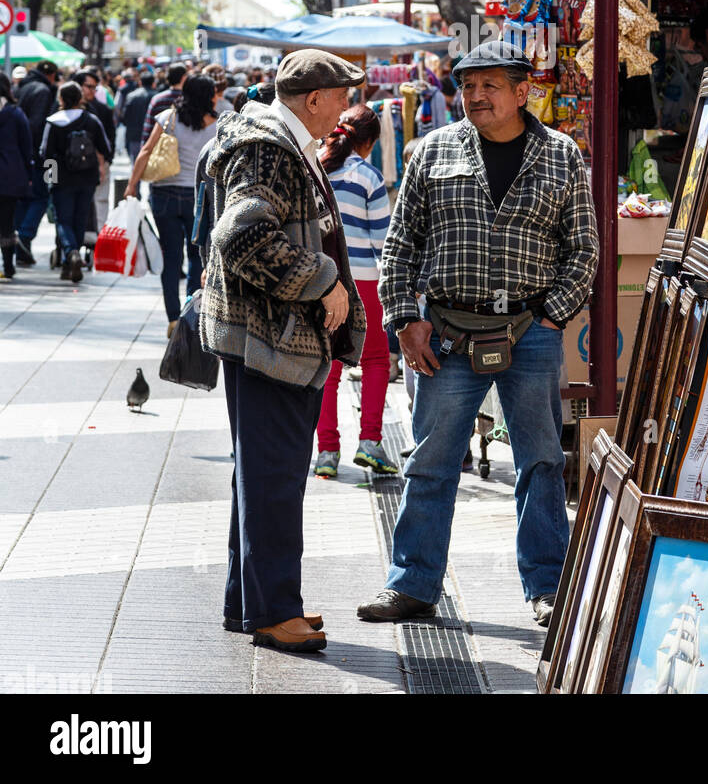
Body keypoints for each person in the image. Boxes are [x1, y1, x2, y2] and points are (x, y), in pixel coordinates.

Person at [357, 40, 599, 629]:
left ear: (523, 92)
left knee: (540, 460)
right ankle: (412, 584)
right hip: (445, 331)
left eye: (491, 85)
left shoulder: (561, 155)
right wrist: (402, 320)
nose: (476, 96)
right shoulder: (432, 151)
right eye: (468, 85)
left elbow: (584, 248)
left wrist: (552, 315)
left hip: (531, 331)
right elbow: (400, 245)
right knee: (430, 459)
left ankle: (548, 587)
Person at [200, 49, 368, 654]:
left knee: (262, 475)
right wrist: (321, 278)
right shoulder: (272, 145)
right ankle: (274, 611)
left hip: (275, 336)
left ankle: (251, 602)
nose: (349, 110)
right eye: (343, 97)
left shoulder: (281, 139)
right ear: (314, 99)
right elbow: (242, 233)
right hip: (270, 338)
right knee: (273, 477)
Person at [314, 104, 396, 479]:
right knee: (376, 360)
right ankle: (370, 443)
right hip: (363, 280)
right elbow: (383, 239)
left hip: (323, 279)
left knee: (328, 366)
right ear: (370, 143)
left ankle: (327, 453)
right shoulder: (369, 176)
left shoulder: (315, 167)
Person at [126, 73, 221, 330]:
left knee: (170, 257)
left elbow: (145, 151)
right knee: (196, 257)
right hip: (199, 198)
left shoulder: (168, 117)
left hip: (164, 195)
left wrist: (131, 185)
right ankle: (190, 316)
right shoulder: (218, 124)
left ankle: (171, 319)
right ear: (209, 95)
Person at [40, 81, 112, 282]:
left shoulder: (53, 122)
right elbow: (106, 148)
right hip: (88, 178)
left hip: (62, 179)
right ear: (80, 98)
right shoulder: (91, 120)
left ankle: (71, 253)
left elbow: (45, 154)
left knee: (63, 220)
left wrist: (49, 179)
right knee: (80, 219)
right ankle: (71, 259)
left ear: (61, 99)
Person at [12, 58, 59, 266]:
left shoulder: (24, 87)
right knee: (42, 197)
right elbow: (37, 125)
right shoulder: (43, 91)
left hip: (22, 154)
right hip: (39, 156)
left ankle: (21, 243)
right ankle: (23, 236)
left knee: (25, 198)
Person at [0, 72, 33, 280]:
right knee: (7, 222)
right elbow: (27, 147)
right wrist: (28, 174)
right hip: (10, 176)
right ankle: (8, 264)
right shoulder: (15, 114)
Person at [76, 68, 117, 232]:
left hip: (97, 165)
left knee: (100, 202)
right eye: (89, 86)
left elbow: (109, 139)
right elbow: (49, 151)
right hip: (71, 170)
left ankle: (98, 241)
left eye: (95, 87)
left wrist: (106, 161)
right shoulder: (59, 112)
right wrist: (51, 176)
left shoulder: (101, 110)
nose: (93, 91)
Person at [141, 60, 188, 143]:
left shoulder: (157, 99)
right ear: (183, 78)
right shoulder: (189, 99)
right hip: (185, 148)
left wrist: (145, 147)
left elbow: (148, 127)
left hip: (160, 150)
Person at [121, 72, 156, 162]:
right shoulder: (157, 97)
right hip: (152, 136)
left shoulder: (132, 96)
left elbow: (125, 116)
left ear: (140, 82)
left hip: (134, 135)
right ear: (153, 82)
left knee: (136, 162)